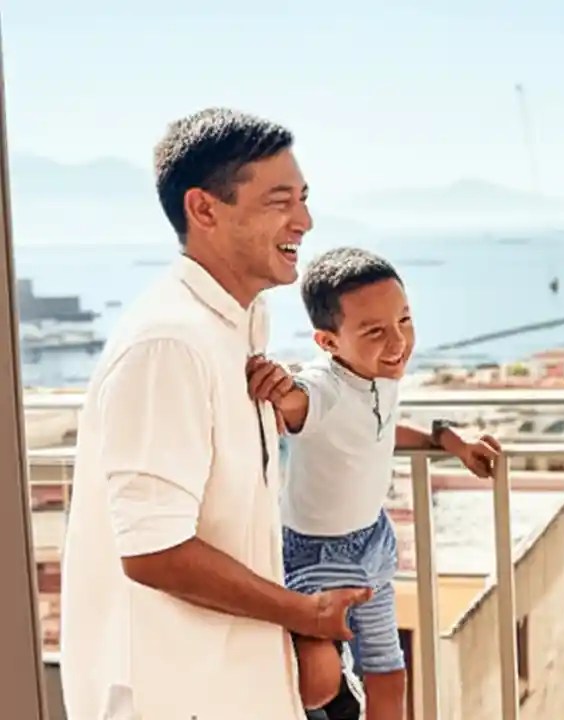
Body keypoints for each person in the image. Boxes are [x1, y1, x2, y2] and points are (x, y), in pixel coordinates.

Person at [59, 108, 370, 719]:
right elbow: (154, 550)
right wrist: (305, 614)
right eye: (281, 201)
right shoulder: (169, 343)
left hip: (228, 682)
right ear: (204, 210)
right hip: (174, 693)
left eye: (304, 199)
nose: (304, 221)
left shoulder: (238, 324)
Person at [245, 246, 503, 720]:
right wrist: (280, 388)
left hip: (375, 545)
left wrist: (450, 442)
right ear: (327, 342)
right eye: (375, 331)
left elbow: (380, 431)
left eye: (404, 321)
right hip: (315, 554)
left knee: (389, 671)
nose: (398, 342)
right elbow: (300, 403)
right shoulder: (325, 385)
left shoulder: (378, 374)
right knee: (318, 682)